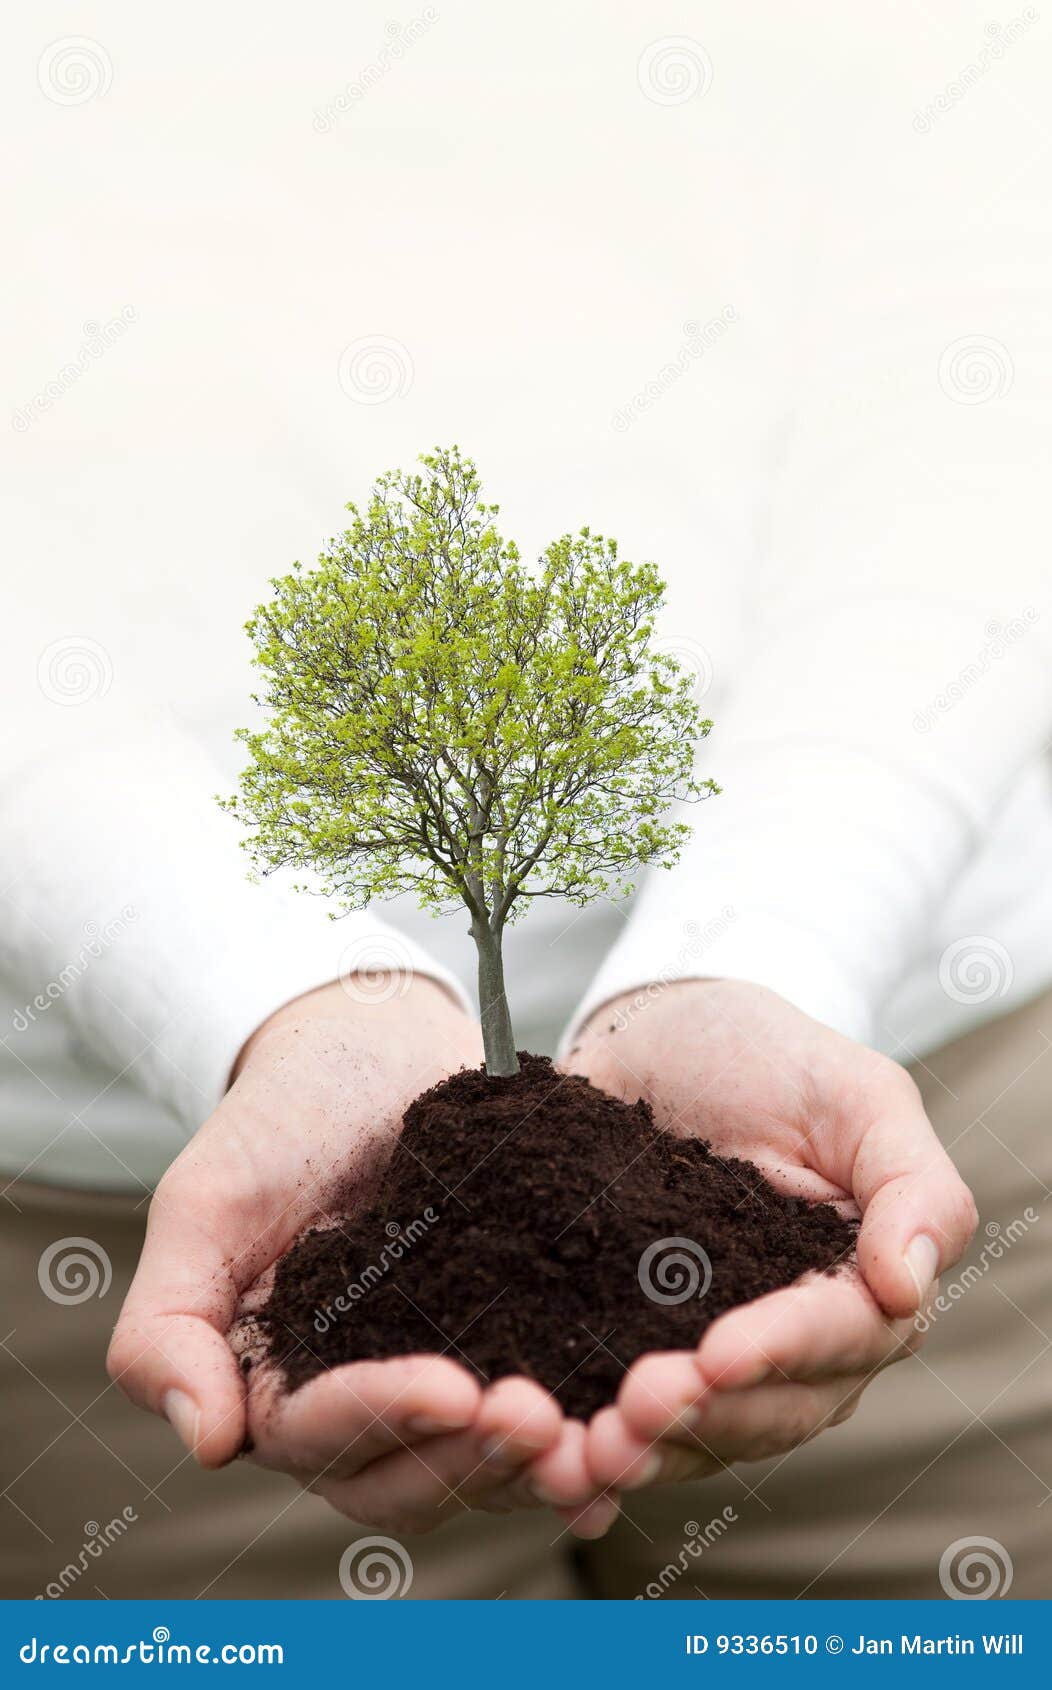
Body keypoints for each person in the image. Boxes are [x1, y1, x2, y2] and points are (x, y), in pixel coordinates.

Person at [3, 2, 1050, 1599]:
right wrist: (256, 981)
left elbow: (979, 328)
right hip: (139, 1187)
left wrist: (775, 932)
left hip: (912, 1050)